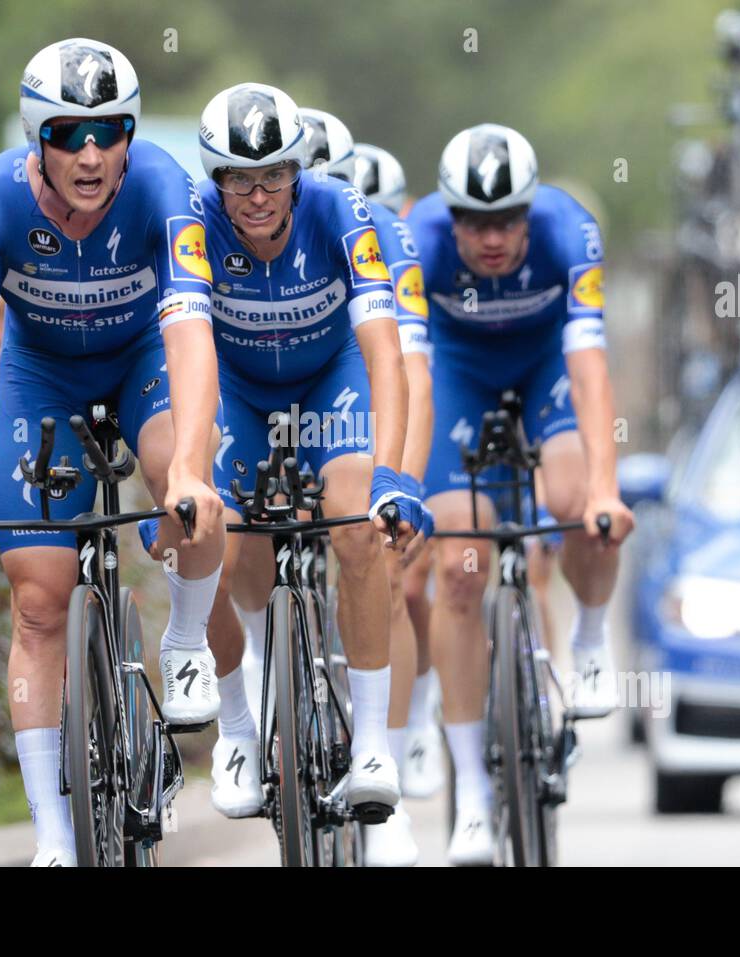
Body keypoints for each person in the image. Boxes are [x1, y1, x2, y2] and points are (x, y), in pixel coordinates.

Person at [0, 38, 225, 867]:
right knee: (39, 601)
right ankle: (54, 831)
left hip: (143, 363)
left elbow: (193, 332)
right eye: (67, 134)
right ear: (36, 139)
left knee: (188, 494)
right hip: (42, 376)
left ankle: (185, 640)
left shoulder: (166, 185)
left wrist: (192, 464)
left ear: (129, 132)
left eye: (109, 130)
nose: (91, 154)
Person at [194, 83, 426, 825]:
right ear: (214, 177)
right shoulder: (192, 221)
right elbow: (175, 351)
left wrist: (392, 477)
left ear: (299, 171)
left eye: (272, 176)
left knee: (355, 523)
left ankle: (373, 745)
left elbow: (386, 356)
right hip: (241, 388)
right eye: (237, 177)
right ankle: (246, 709)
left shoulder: (339, 211)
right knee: (217, 543)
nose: (257, 195)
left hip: (332, 382)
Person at [407, 123, 635, 865]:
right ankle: (471, 790)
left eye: (507, 218)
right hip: (457, 372)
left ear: (530, 210)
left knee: (580, 503)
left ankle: (591, 637)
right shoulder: (419, 239)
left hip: (546, 372)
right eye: (474, 219)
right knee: (463, 562)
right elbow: (406, 368)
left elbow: (590, 361)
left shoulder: (570, 231)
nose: (492, 236)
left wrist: (606, 485)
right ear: (451, 214)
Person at [294, 117, 434, 866]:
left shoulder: (378, 231)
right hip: (271, 393)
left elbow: (409, 370)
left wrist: (400, 483)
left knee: (378, 556)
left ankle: (392, 781)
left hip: (352, 399)